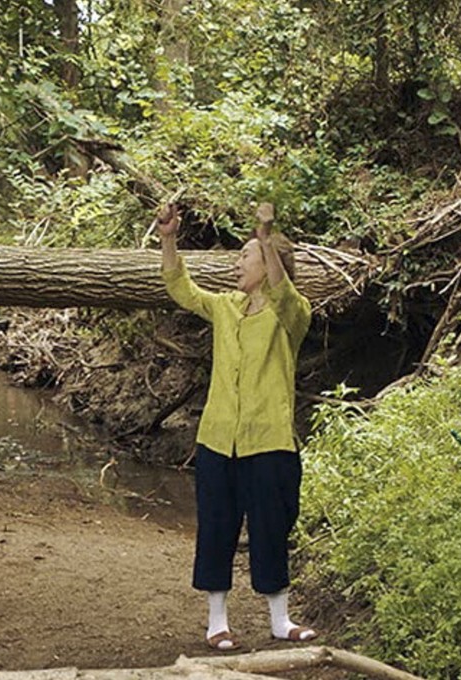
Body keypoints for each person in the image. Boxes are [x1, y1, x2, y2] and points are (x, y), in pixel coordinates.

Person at [156, 202, 316, 651]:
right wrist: (169, 238)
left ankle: (281, 622)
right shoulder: (226, 306)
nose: (237, 263)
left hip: (269, 442)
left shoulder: (292, 316)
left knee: (271, 528)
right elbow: (180, 287)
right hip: (217, 441)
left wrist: (264, 237)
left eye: (245, 256)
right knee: (217, 527)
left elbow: (286, 297)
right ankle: (217, 622)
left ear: (267, 265)